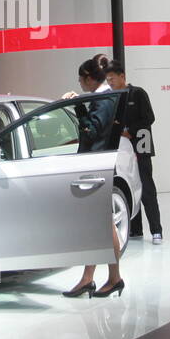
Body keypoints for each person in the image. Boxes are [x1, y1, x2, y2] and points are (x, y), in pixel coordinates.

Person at [63, 58, 125, 299]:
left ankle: (112, 277)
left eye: (80, 80)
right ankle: (91, 278)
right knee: (99, 224)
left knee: (101, 224)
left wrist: (78, 106)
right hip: (99, 164)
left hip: (96, 166)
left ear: (89, 78)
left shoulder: (103, 99)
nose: (79, 83)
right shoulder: (105, 97)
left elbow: (90, 131)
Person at [105, 61, 163, 243]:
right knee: (130, 186)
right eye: (108, 80)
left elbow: (149, 118)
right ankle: (135, 229)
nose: (110, 82)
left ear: (122, 76)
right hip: (122, 150)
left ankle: (156, 230)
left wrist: (130, 132)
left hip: (141, 146)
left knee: (146, 188)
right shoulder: (111, 96)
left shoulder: (138, 93)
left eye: (112, 79)